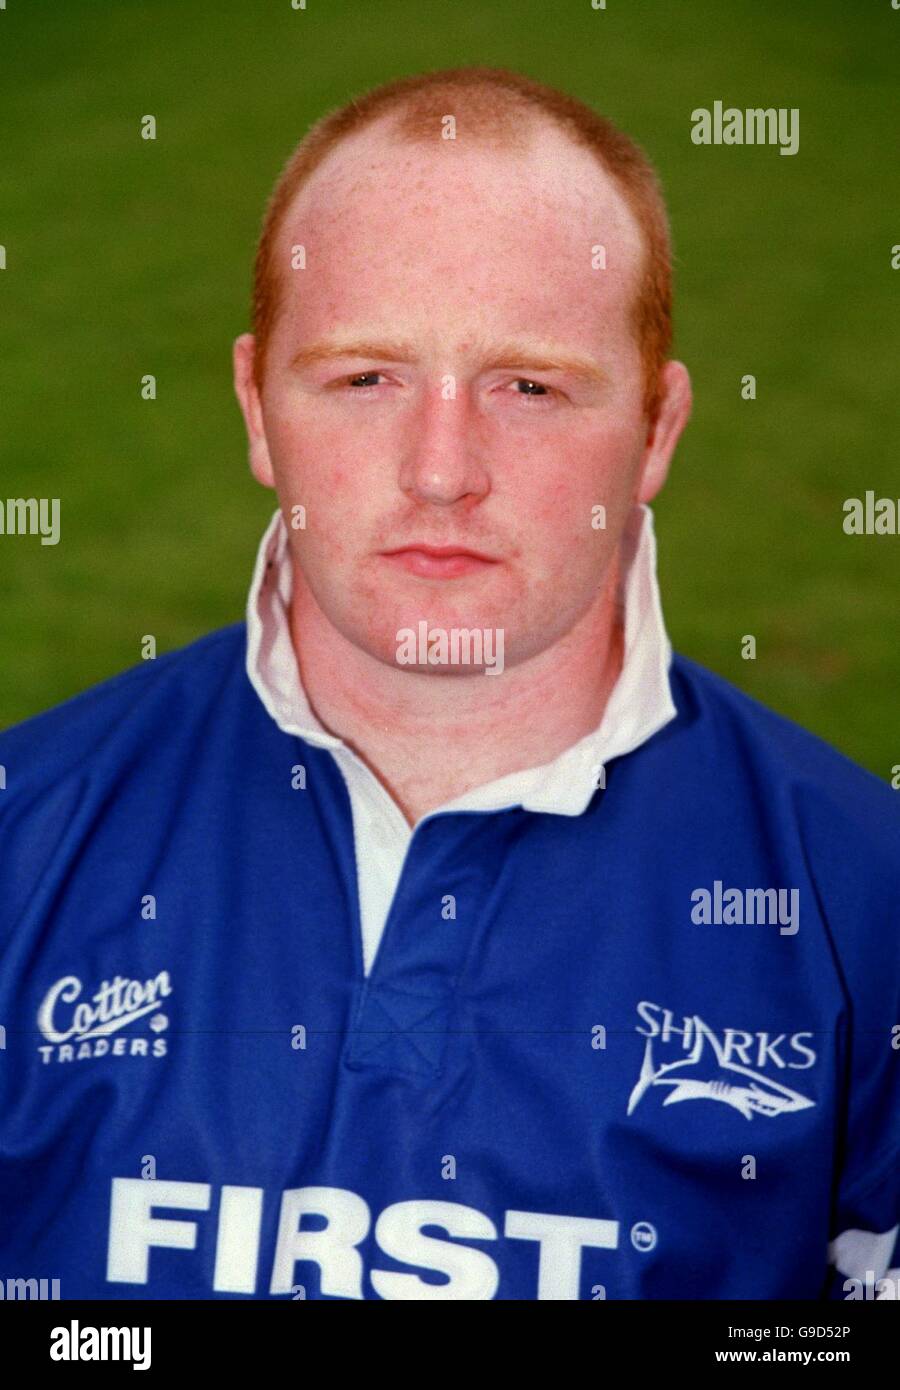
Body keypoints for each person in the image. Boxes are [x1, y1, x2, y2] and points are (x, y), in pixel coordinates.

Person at [0, 66, 897, 1301]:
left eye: (528, 386)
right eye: (365, 378)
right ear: (258, 406)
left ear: (657, 429)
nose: (441, 469)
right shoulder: (21, 836)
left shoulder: (865, 903)